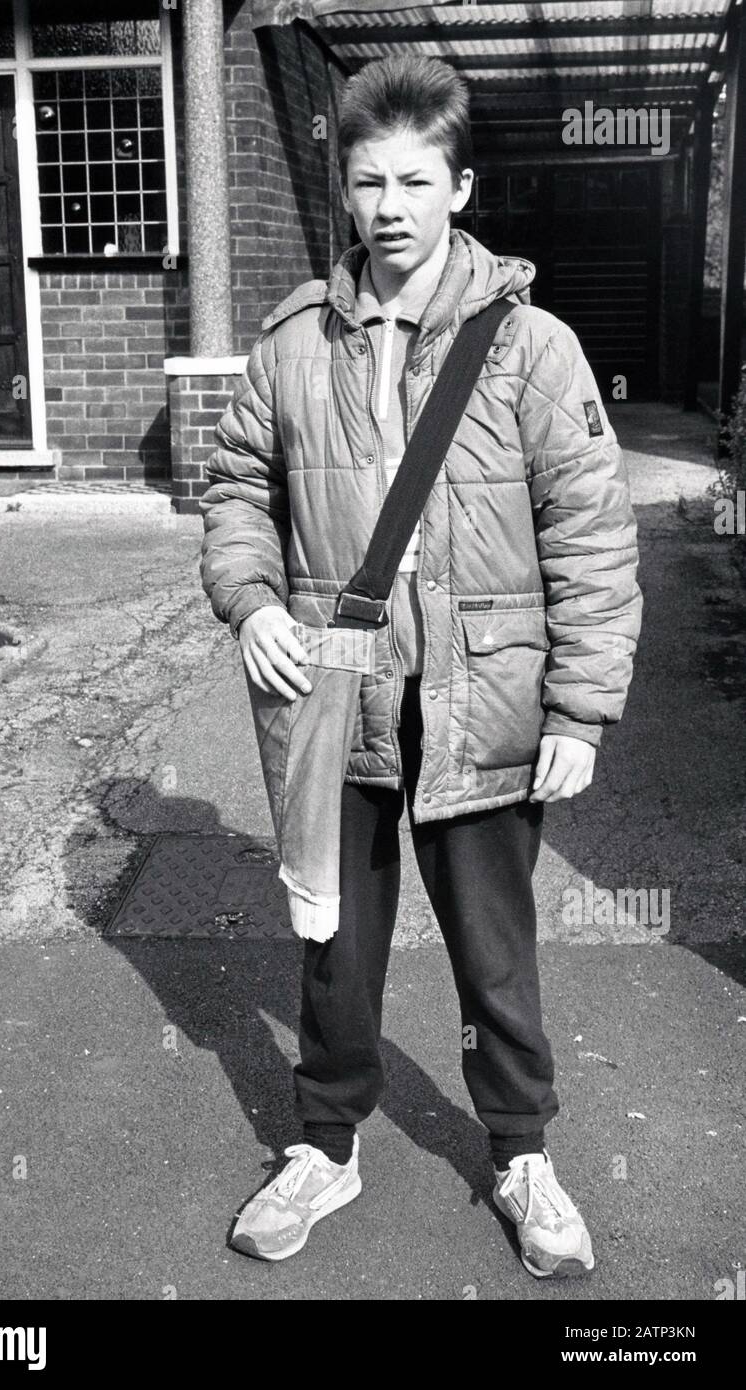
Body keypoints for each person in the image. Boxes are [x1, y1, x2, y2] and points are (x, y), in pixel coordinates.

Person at [198, 53, 642, 1278]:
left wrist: (580, 709)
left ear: (459, 188)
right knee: (331, 942)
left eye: (412, 180)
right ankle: (324, 1146)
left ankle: (518, 1151)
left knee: (492, 947)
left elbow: (591, 537)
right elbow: (238, 488)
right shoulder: (291, 342)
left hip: (482, 694)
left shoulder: (531, 346)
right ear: (343, 192)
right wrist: (248, 604)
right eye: (364, 182)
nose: (386, 206)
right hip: (332, 699)